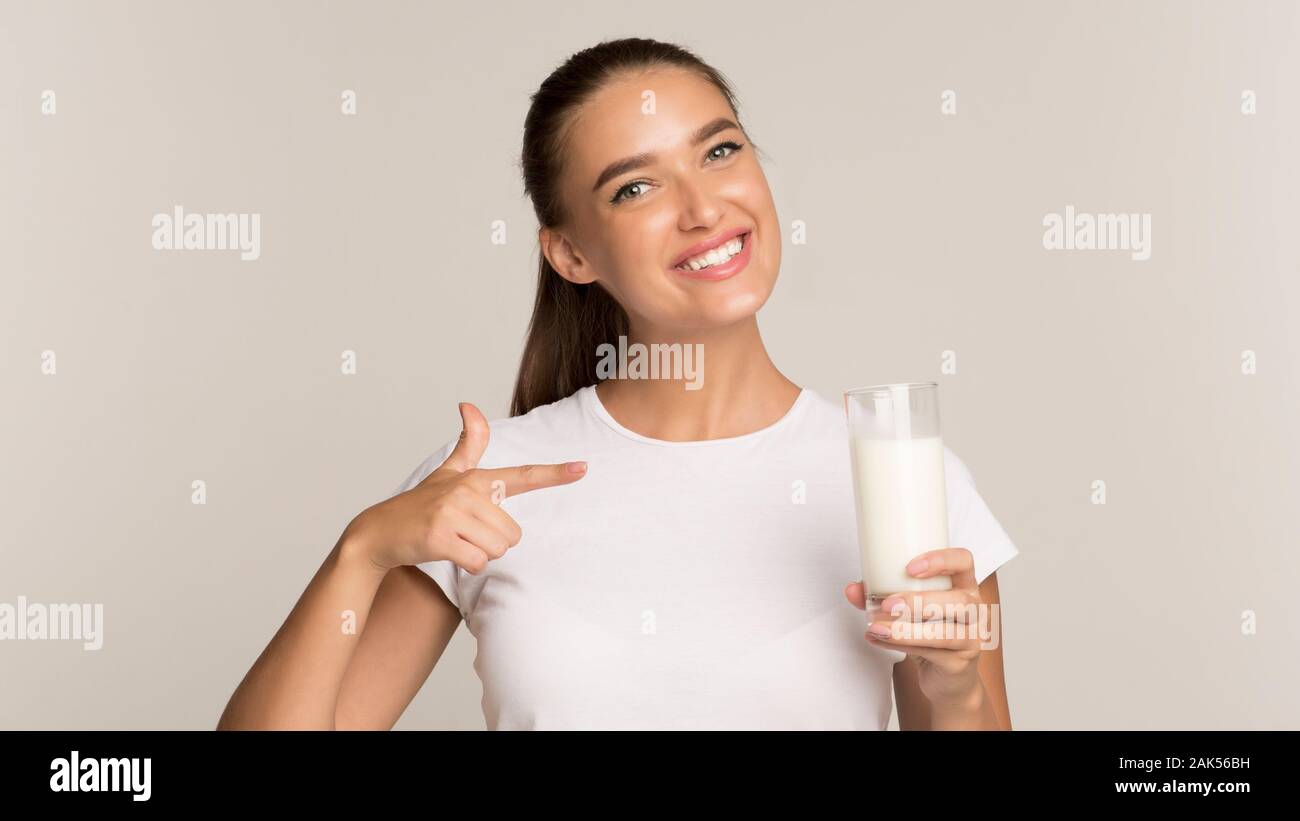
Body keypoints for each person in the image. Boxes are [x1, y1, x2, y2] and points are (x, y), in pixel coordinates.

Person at [217, 37, 1019, 731]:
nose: (704, 207)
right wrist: (361, 550)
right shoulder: (488, 484)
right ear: (570, 255)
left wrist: (955, 694)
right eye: (636, 187)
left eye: (720, 150)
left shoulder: (903, 478)